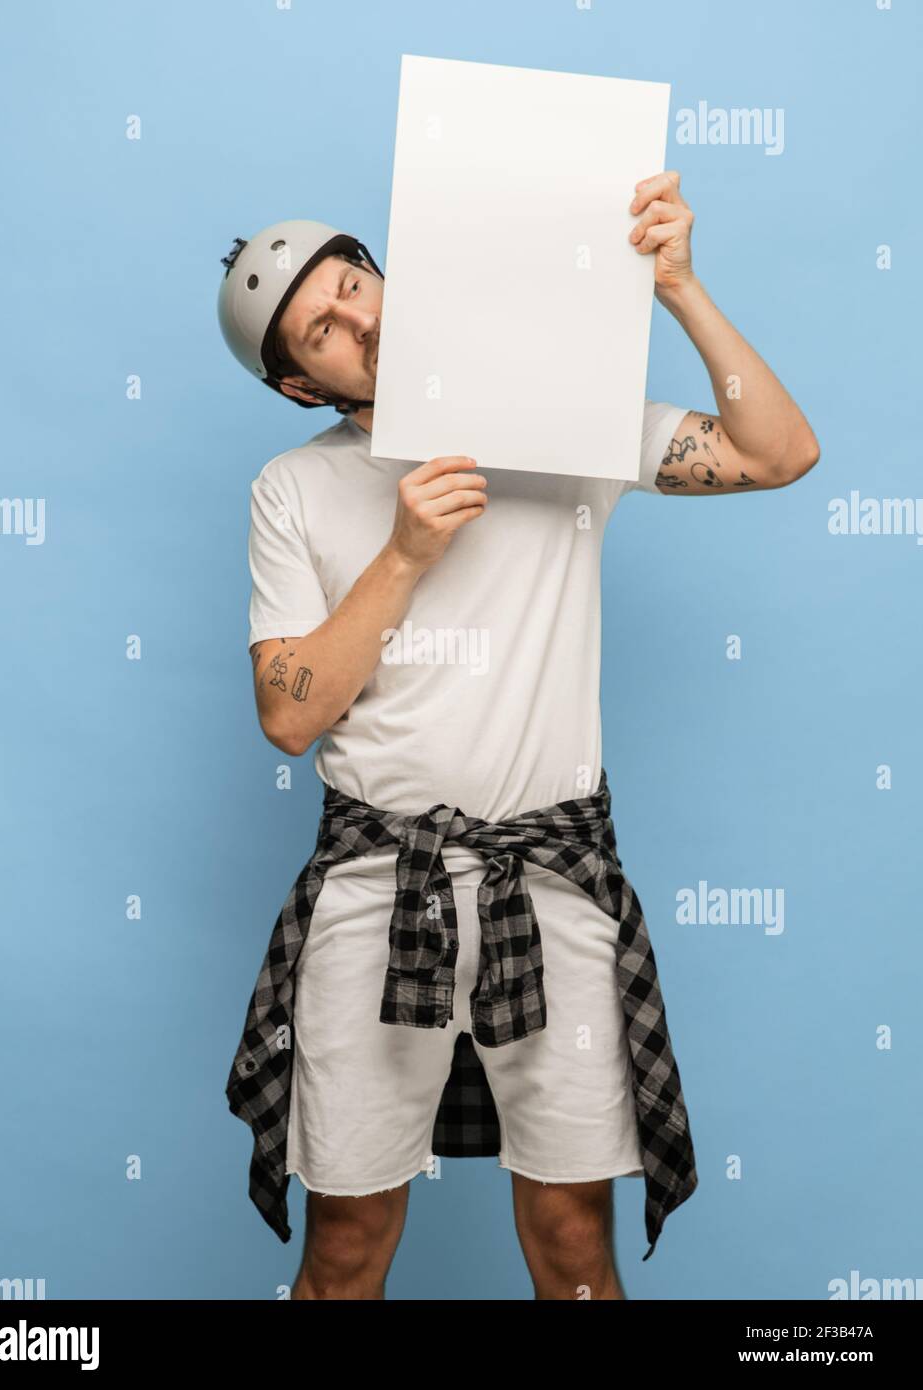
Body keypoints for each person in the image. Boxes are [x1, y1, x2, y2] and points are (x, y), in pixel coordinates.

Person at [216, 171, 820, 1300]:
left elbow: (780, 452)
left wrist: (679, 288)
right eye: (324, 332)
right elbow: (288, 715)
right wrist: (402, 555)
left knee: (573, 1239)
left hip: (553, 878)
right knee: (345, 1245)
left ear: (388, 274)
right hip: (372, 886)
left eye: (355, 284)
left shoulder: (561, 420)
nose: (360, 321)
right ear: (303, 384)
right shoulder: (292, 490)